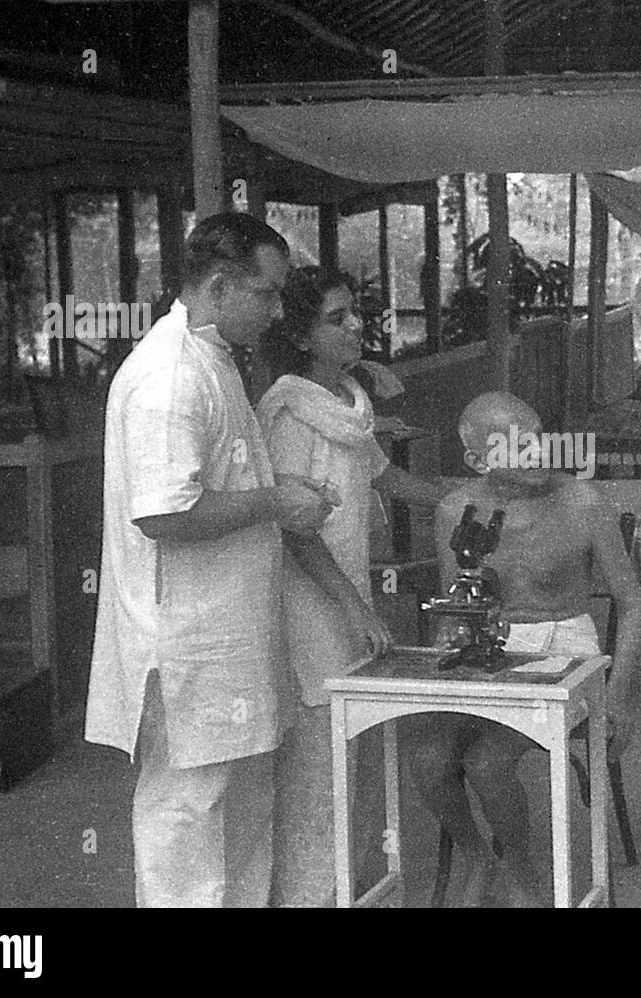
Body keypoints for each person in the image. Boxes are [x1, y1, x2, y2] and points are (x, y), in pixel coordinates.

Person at [85, 213, 335, 907]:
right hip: (187, 644)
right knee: (188, 817)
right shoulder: (169, 377)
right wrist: (277, 502)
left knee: (245, 810)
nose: (279, 310)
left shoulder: (214, 359)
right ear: (220, 285)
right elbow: (163, 514)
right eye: (269, 293)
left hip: (231, 637)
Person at [405, 392, 641, 906]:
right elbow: (454, 607)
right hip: (493, 650)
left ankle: (519, 869)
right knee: (429, 759)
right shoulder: (456, 511)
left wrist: (619, 697)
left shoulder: (583, 502)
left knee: (489, 763)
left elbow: (632, 603)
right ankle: (475, 855)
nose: (536, 451)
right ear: (477, 461)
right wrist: (450, 637)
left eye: (537, 435)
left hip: (569, 652)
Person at [256, 265, 447, 907]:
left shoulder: (350, 406)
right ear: (303, 336)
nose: (356, 325)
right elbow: (293, 529)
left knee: (358, 757)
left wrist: (468, 493)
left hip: (349, 600)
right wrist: (351, 606)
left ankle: (353, 892)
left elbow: (385, 481)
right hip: (308, 604)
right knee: (317, 766)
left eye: (356, 313)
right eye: (337, 318)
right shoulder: (289, 413)